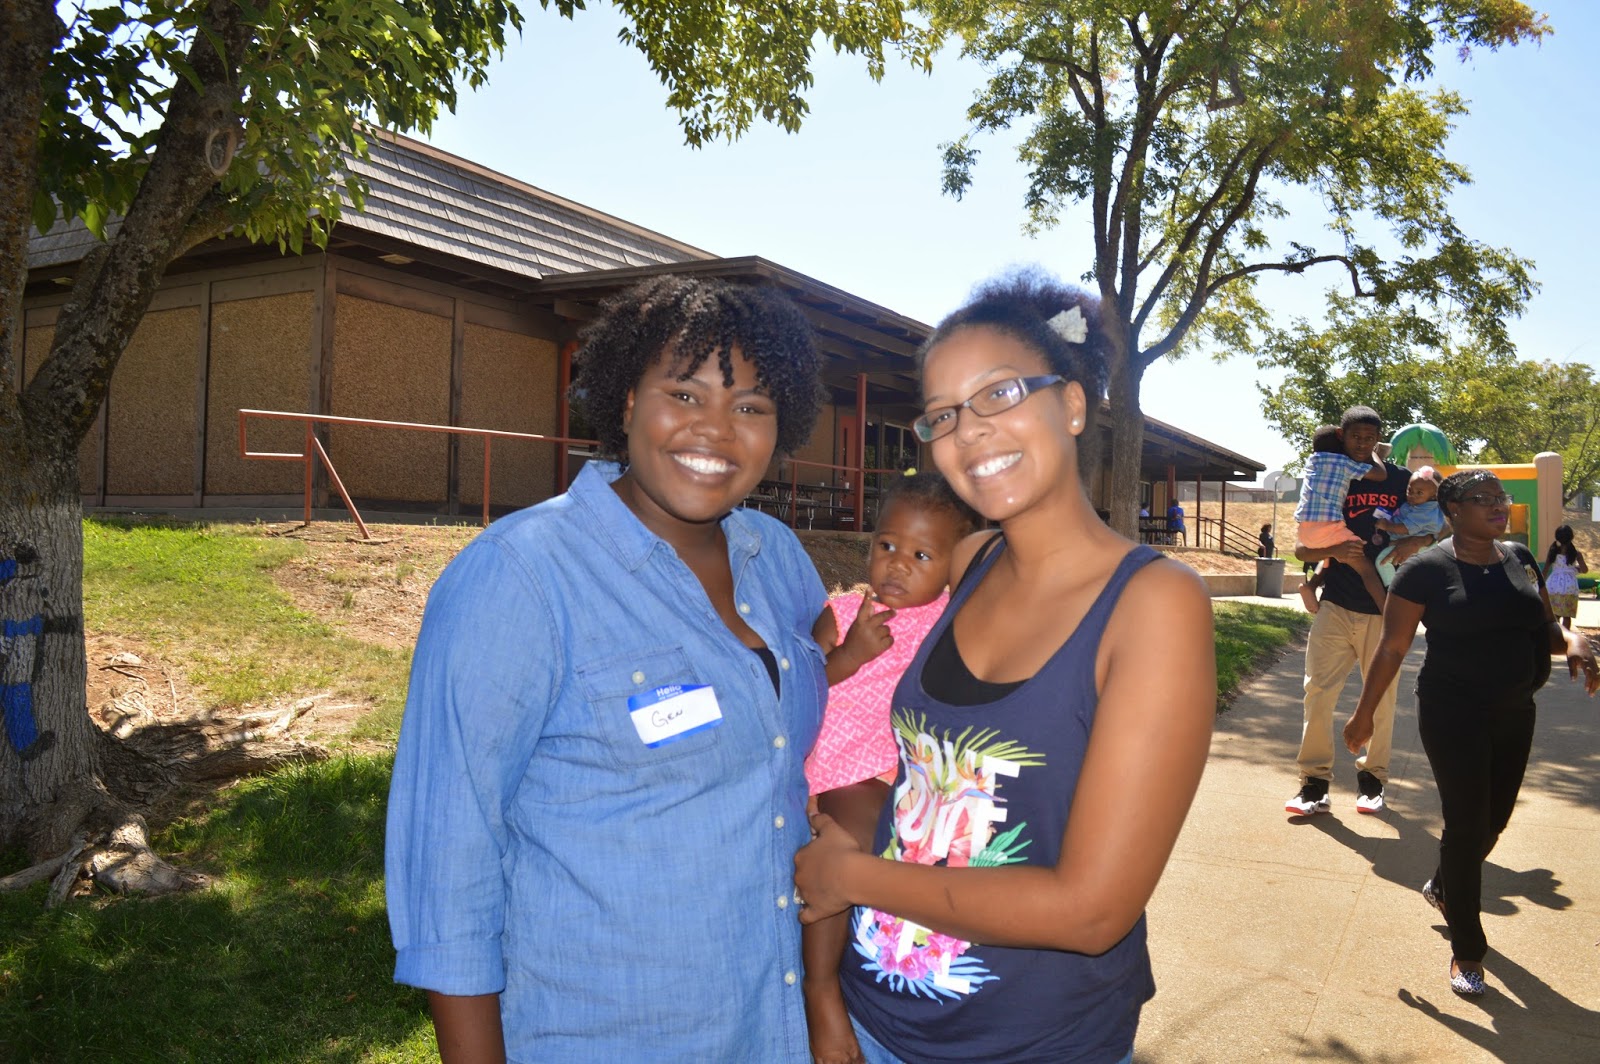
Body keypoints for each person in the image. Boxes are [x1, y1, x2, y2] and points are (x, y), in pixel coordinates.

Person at [385, 276, 829, 1063]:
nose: (717, 431)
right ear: (625, 401)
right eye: (685, 395)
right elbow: (448, 866)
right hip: (609, 1032)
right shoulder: (520, 576)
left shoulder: (780, 561)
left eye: (751, 407)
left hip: (774, 1023)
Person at [793, 272, 1215, 1063]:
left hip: (1031, 1040)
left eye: (1001, 393)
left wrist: (848, 878)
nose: (970, 431)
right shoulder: (971, 561)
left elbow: (1092, 909)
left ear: (1075, 404)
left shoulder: (1154, 604)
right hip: (873, 1017)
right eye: (944, 414)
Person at [1342, 470, 1599, 996]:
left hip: (1514, 708)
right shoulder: (1423, 571)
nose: (1497, 506)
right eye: (1482, 500)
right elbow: (1392, 647)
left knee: (1493, 823)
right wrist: (1363, 713)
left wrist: (1572, 639)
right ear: (1452, 511)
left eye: (1499, 498)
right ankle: (1467, 949)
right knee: (1465, 826)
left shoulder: (1519, 559)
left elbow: (1541, 625)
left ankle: (1445, 885)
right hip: (1452, 709)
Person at [803, 471, 979, 1064]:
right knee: (849, 854)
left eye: (922, 554)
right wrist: (848, 655)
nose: (897, 565)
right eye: (887, 546)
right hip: (843, 767)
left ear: (956, 565)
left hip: (912, 768)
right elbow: (802, 688)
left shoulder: (958, 620)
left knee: (919, 863)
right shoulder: (842, 611)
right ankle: (821, 987)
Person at [1285, 406, 1428, 818]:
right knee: (1318, 693)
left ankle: (1372, 781)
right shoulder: (1328, 475)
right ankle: (1314, 784)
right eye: (1354, 439)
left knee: (1381, 698)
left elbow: (1442, 522)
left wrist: (1417, 543)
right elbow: (1301, 546)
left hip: (1389, 610)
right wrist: (1331, 551)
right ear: (1341, 439)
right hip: (1336, 604)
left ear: (1379, 439)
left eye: (1370, 439)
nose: (1362, 446)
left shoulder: (1401, 480)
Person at [1292, 423, 1390, 614]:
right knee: (1366, 570)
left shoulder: (1313, 460)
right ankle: (1388, 615)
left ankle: (1311, 585)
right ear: (1342, 438)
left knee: (1330, 553)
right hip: (1328, 527)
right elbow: (1380, 474)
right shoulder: (1343, 463)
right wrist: (1376, 454)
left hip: (1305, 529)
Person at [1372, 465, 1445, 585]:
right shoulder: (1419, 504)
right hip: (1414, 543)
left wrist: (1387, 526)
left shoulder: (1425, 511)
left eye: (1419, 493)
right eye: (1409, 490)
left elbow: (1406, 528)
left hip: (1420, 546)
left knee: (1382, 561)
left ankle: (1392, 588)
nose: (1412, 495)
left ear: (1433, 496)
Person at [1542, 523, 1587, 630]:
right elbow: (1585, 570)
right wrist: (1575, 569)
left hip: (1553, 586)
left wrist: (1540, 586)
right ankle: (1566, 636)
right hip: (1570, 587)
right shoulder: (1576, 553)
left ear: (1557, 537)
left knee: (1555, 615)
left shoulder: (1553, 552)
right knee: (1567, 616)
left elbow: (1545, 570)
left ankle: (1556, 637)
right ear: (1571, 537)